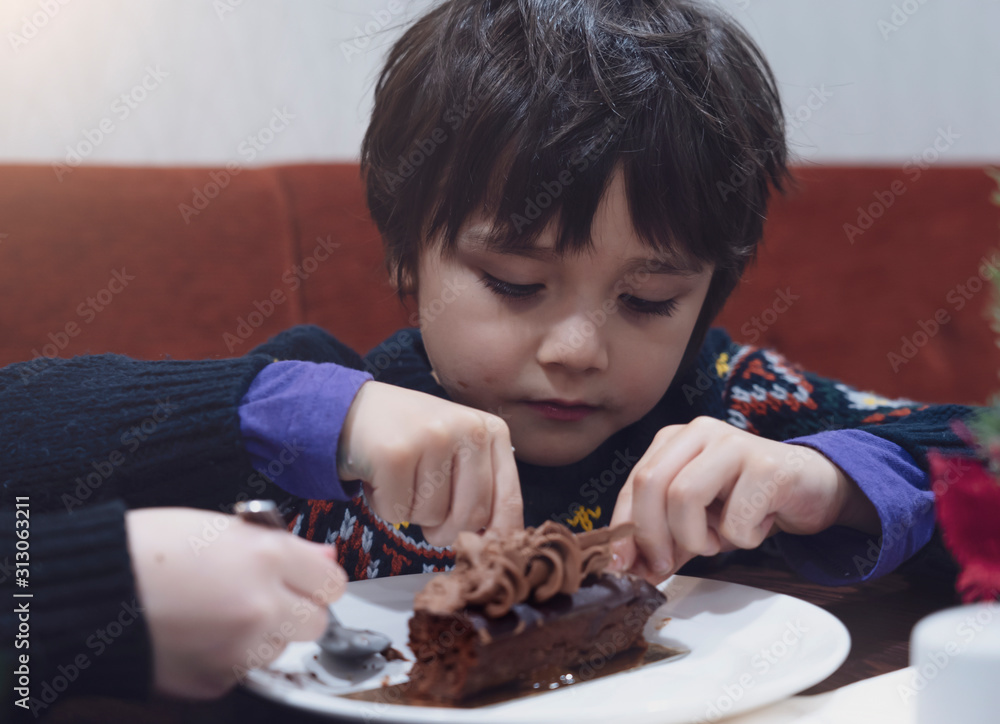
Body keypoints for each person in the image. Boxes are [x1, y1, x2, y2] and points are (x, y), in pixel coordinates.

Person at [0, 0, 975, 710]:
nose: (575, 349)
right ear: (405, 255)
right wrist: (278, 407)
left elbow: (978, 464)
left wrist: (829, 480)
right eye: (514, 282)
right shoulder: (313, 431)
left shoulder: (733, 404)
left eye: (647, 299)